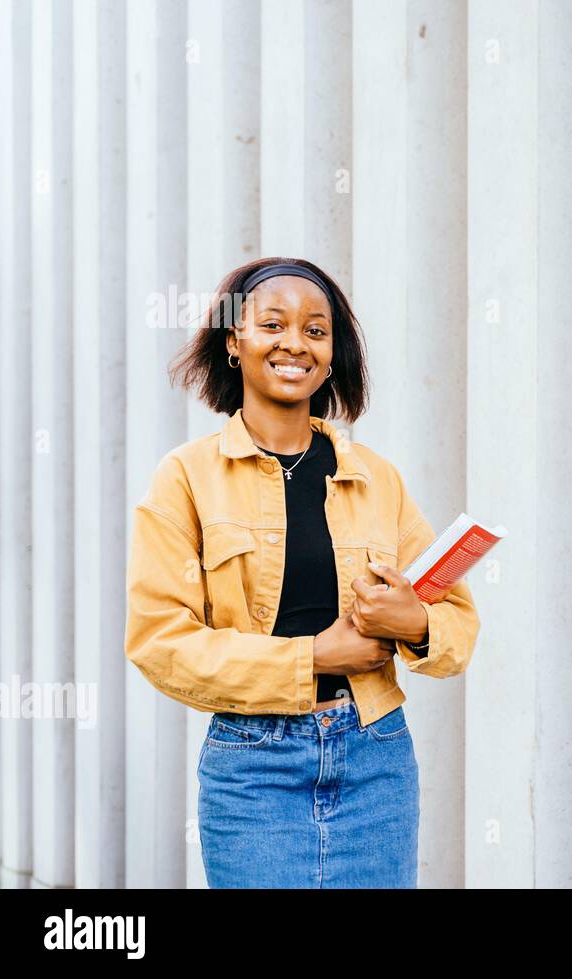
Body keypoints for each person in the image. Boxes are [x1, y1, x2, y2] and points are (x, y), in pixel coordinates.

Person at [123, 257, 480, 887]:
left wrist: (416, 621)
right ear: (235, 342)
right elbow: (160, 643)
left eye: (316, 330)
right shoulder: (185, 478)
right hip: (253, 767)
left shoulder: (377, 478)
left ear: (333, 352)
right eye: (273, 325)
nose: (295, 343)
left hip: (377, 758)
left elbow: (457, 629)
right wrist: (313, 655)